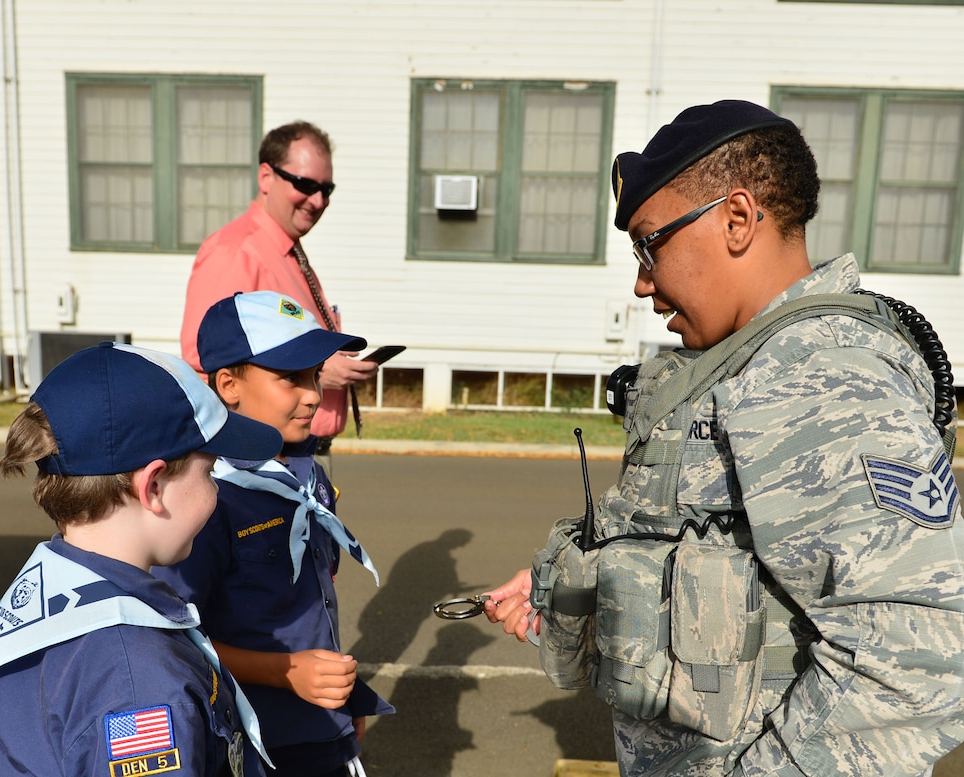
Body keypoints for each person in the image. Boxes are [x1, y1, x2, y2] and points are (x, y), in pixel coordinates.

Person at [484, 99, 964, 776]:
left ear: (737, 219)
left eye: (651, 244)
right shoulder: (747, 365)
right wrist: (559, 582)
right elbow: (699, 548)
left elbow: (919, 658)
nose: (643, 282)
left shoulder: (817, 377)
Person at [0, 343, 285, 777]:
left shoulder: (52, 597)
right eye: (209, 473)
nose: (215, 490)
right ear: (152, 486)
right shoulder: (140, 683)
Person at [157, 290, 393, 777]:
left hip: (320, 725)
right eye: (290, 378)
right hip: (252, 740)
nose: (313, 393)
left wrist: (342, 703)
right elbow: (175, 636)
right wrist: (286, 673)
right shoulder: (207, 498)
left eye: (315, 374)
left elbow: (310, 607)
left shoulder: (308, 475)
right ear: (228, 384)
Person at [180, 120, 377, 463]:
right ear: (266, 177)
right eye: (304, 184)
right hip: (266, 458)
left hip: (297, 454)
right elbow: (204, 365)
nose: (317, 200)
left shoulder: (286, 249)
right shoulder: (236, 250)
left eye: (326, 189)